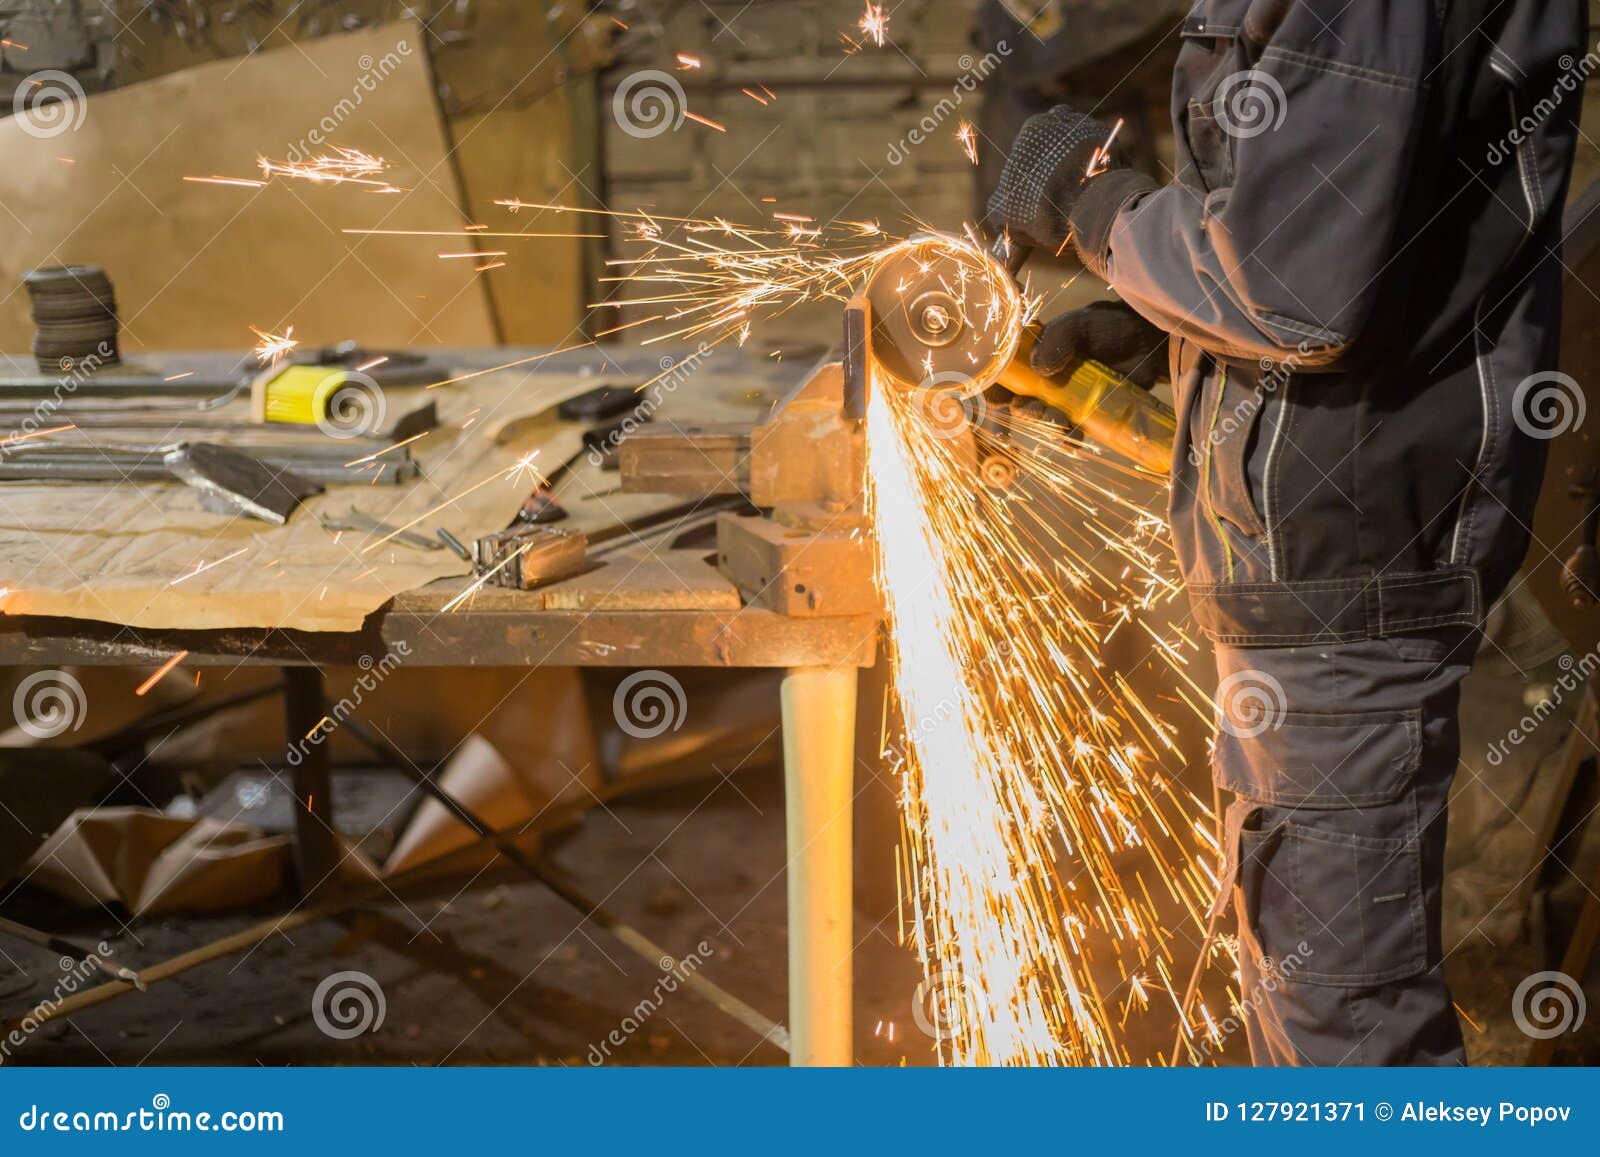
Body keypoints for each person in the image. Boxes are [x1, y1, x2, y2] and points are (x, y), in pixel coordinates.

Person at [985, 0, 1587, 1065]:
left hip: (1350, 562)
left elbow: (1296, 290)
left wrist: (1095, 205)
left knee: (1348, 1044)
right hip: (1342, 546)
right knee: (1318, 1008)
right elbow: (1371, 222)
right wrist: (1157, 332)